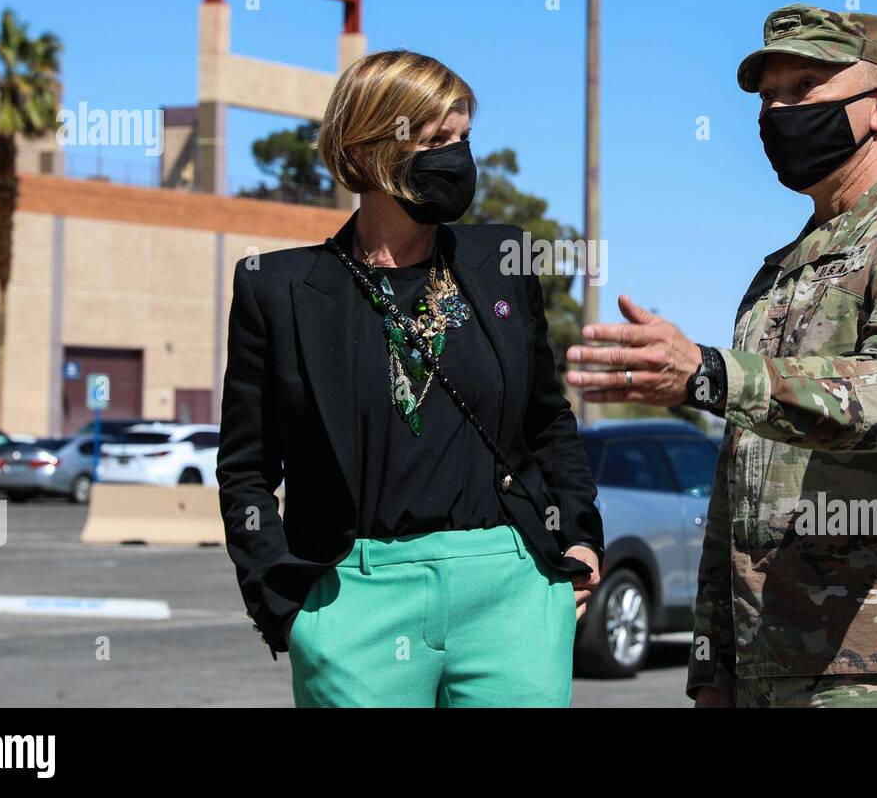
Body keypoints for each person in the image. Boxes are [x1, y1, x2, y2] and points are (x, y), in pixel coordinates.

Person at [567, 4, 877, 708]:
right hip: (768, 665)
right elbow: (739, 492)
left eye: (804, 87)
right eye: (766, 97)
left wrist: (710, 371)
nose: (777, 112)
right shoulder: (781, 274)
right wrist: (712, 668)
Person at [217, 49, 603, 707]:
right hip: (355, 597)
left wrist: (580, 538)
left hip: (510, 588)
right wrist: (285, 604)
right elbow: (246, 465)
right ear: (370, 149)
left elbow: (547, 420)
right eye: (435, 141)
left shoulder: (502, 263)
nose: (456, 157)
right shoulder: (278, 290)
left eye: (462, 139)